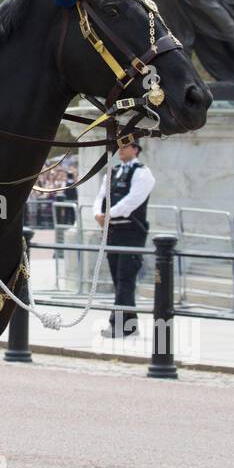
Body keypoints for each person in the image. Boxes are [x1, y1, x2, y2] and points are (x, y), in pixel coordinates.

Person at [95, 142, 156, 338]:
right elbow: (101, 196)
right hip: (113, 231)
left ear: (136, 149)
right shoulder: (112, 172)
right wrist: (98, 214)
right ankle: (130, 326)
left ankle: (117, 324)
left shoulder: (142, 173)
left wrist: (108, 214)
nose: (120, 150)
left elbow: (132, 201)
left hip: (131, 231)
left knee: (125, 278)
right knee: (118, 278)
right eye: (119, 147)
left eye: (125, 146)